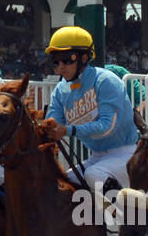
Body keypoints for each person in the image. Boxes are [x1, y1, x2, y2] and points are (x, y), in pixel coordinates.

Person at [41, 26, 140, 192]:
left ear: (84, 58)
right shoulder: (60, 90)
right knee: (62, 183)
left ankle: (124, 217)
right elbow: (52, 124)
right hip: (96, 157)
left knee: (94, 175)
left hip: (125, 155)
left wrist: (67, 130)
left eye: (67, 59)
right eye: (56, 61)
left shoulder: (106, 80)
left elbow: (107, 127)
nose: (61, 67)